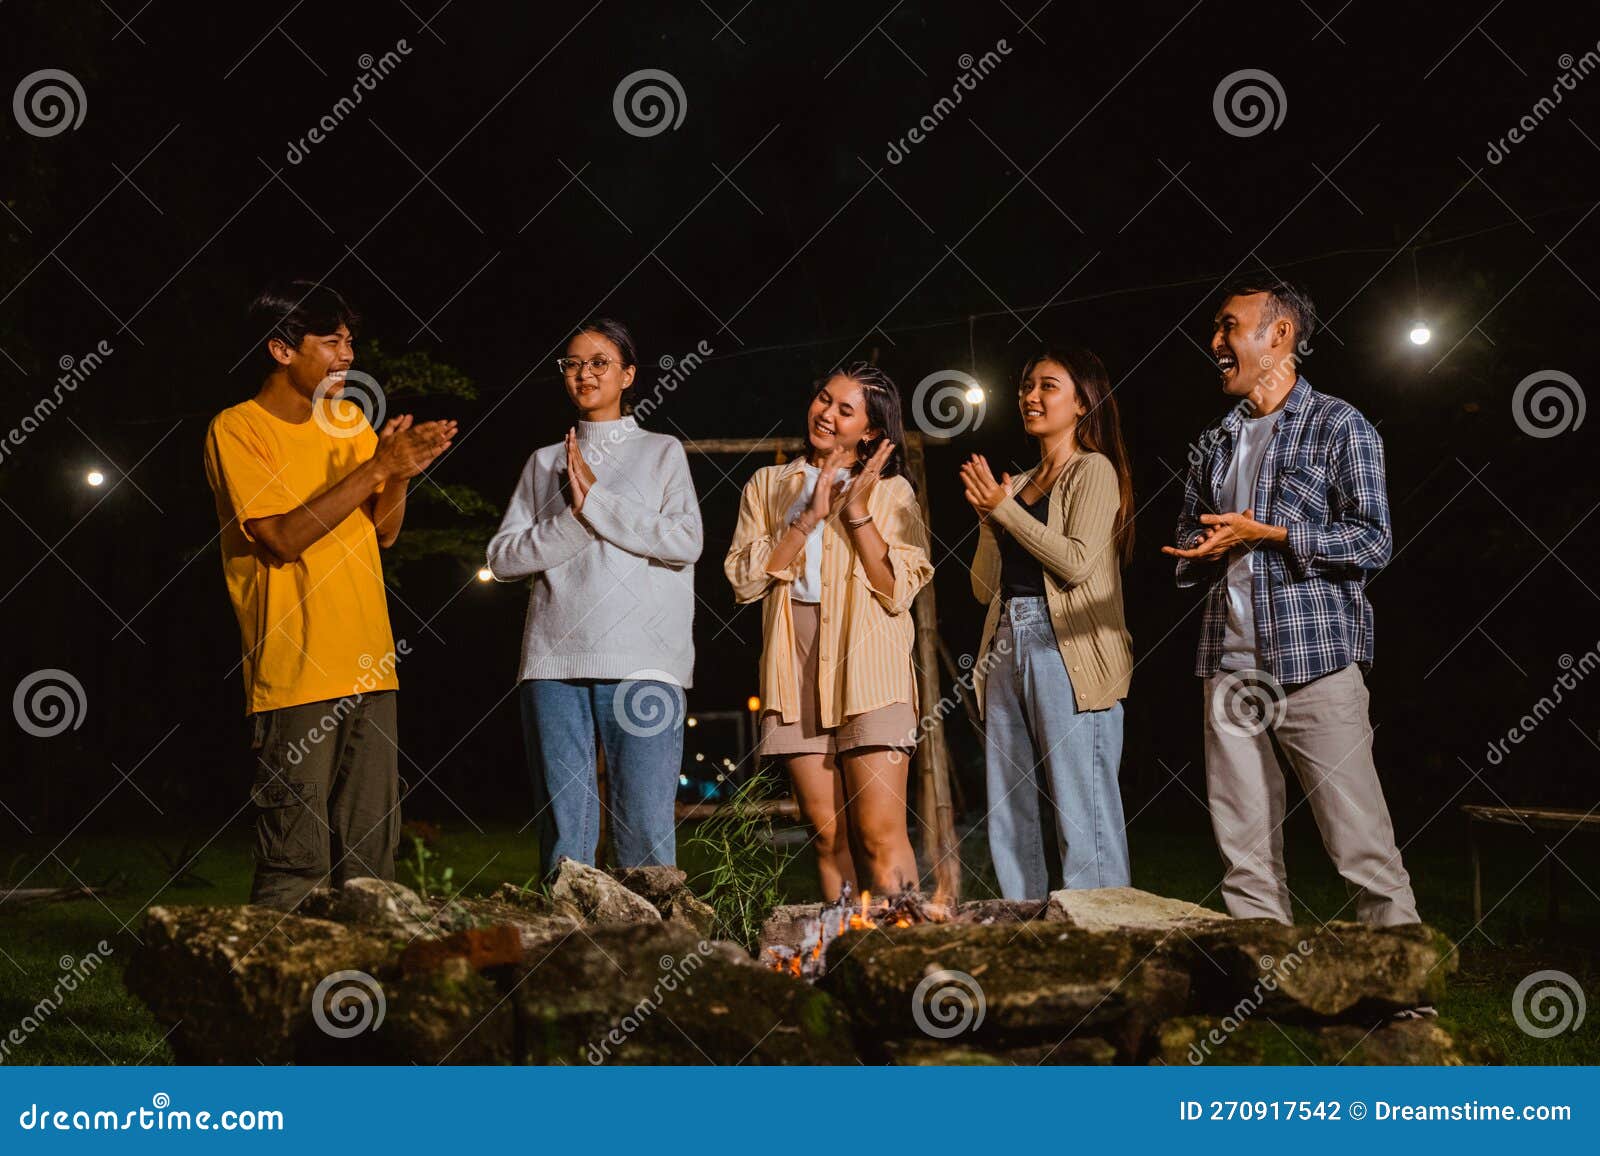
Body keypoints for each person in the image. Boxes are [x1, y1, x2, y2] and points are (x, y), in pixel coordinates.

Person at [1164, 275, 1420, 929]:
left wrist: (1272, 534)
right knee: (1244, 856)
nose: (1214, 341)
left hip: (1315, 666)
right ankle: (1262, 977)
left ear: (1280, 335)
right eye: (1215, 328)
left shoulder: (1340, 425)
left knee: (1361, 846)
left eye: (1228, 326)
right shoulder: (1215, 441)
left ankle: (1408, 983)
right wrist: (1202, 549)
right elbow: (1191, 534)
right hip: (1228, 667)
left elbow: (1373, 541)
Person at [204, 280, 455, 910]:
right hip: (296, 675)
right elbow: (282, 539)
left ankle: (366, 976)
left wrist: (397, 474)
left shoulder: (348, 421)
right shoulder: (238, 429)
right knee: (296, 864)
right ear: (282, 349)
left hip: (371, 667)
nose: (348, 355)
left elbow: (385, 530)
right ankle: (274, 973)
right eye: (332, 341)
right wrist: (377, 468)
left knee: (373, 866)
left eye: (350, 342)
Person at [487, 318, 702, 880]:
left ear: (628, 375)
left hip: (645, 662)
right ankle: (568, 933)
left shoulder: (661, 452)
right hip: (553, 662)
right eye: (573, 364)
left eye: (599, 362)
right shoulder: (544, 461)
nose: (584, 373)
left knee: (645, 836)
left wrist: (598, 502)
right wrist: (577, 521)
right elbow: (503, 558)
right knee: (565, 839)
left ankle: (653, 934)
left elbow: (686, 542)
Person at [725, 363, 933, 899]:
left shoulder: (892, 492)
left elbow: (897, 591)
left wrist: (855, 509)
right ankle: (847, 942)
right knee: (827, 834)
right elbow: (743, 581)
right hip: (793, 660)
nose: (827, 414)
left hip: (870, 661)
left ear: (870, 430)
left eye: (845, 409)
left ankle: (907, 941)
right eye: (824, 399)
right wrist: (807, 519)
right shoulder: (768, 485)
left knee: (879, 831)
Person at [961, 345, 1136, 899]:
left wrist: (1005, 511)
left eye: (1047, 386)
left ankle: (1102, 929)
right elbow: (983, 589)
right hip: (1005, 640)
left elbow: (1077, 563)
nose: (1030, 396)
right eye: (1026, 387)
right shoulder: (1016, 485)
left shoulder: (1093, 469)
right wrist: (990, 521)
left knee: (1082, 805)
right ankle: (1026, 923)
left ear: (1082, 402)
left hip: (1068, 646)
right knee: (1009, 804)